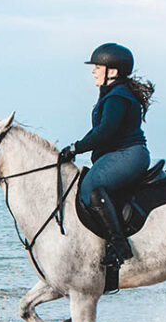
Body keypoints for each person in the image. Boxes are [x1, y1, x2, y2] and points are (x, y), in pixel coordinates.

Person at [58, 43, 154, 269]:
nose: (93, 71)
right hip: (122, 154)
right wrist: (76, 146)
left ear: (113, 71)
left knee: (90, 187)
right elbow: (98, 132)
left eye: (98, 67)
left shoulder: (117, 97)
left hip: (129, 154)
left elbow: (105, 132)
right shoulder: (112, 94)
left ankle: (120, 247)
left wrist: (75, 148)